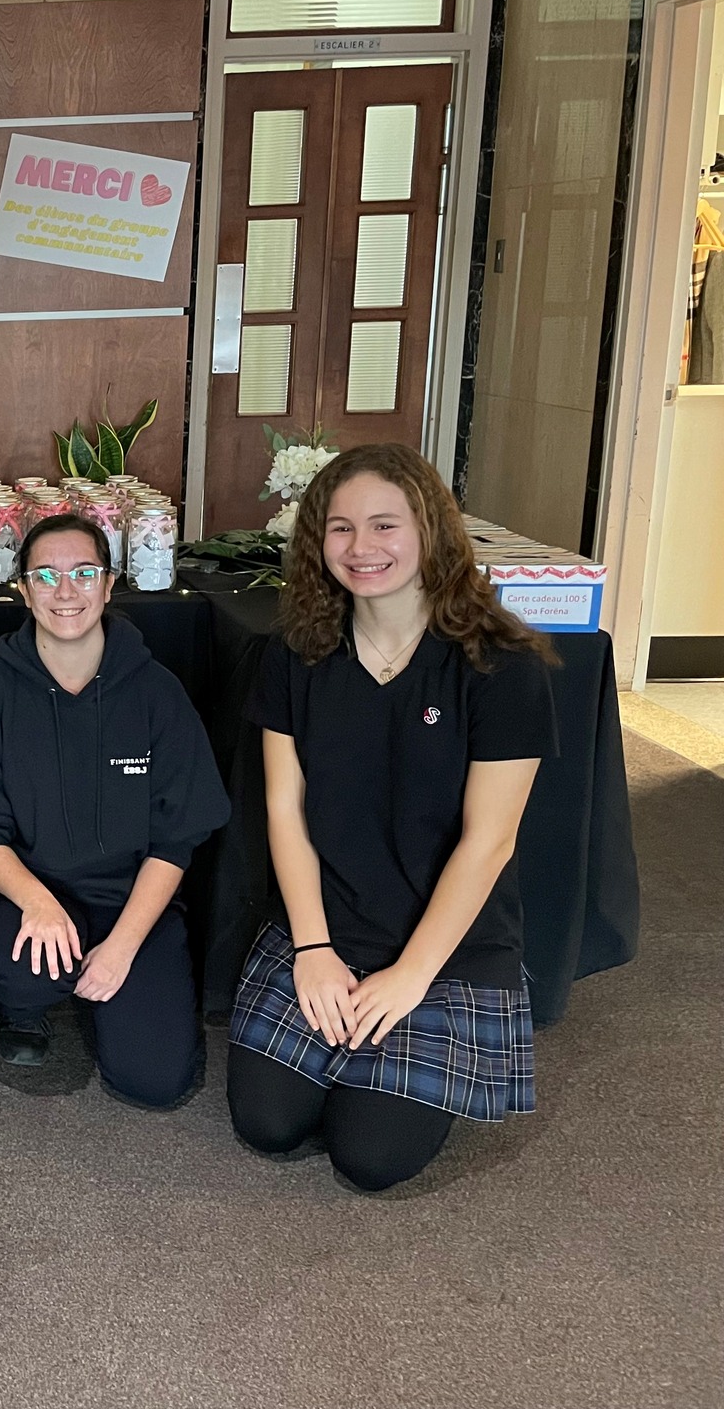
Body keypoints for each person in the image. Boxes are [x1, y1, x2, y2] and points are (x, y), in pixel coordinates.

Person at [226, 443, 556, 1192]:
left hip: (444, 945)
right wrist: (311, 945)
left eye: (385, 525)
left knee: (371, 1159)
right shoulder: (295, 652)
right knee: (267, 1124)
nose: (361, 548)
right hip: (327, 925)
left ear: (431, 530)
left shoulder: (502, 665)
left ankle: (388, 1048)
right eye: (340, 529)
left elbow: (490, 840)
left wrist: (410, 975)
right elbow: (285, 807)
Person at [0, 513, 229, 1108]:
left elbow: (177, 837)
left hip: (132, 897)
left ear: (110, 582)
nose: (65, 591)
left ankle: (105, 982)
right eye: (45, 575)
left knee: (154, 1082)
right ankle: (24, 1003)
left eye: (83, 573)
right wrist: (39, 904)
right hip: (27, 891)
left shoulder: (158, 693)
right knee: (32, 973)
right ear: (22, 589)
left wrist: (122, 947)